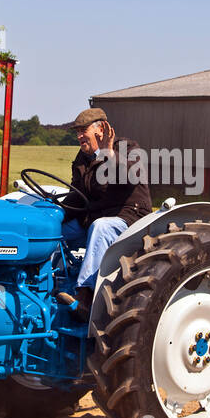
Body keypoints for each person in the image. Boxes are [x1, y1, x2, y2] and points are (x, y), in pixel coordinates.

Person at [56, 108, 152, 320]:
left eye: (83, 130)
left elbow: (130, 178)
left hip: (128, 217)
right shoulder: (83, 158)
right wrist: (54, 214)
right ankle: (47, 283)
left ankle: (85, 297)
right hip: (93, 217)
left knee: (101, 227)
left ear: (101, 129)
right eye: (77, 132)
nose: (79, 136)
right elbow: (76, 195)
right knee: (53, 233)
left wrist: (109, 153)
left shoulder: (127, 148)